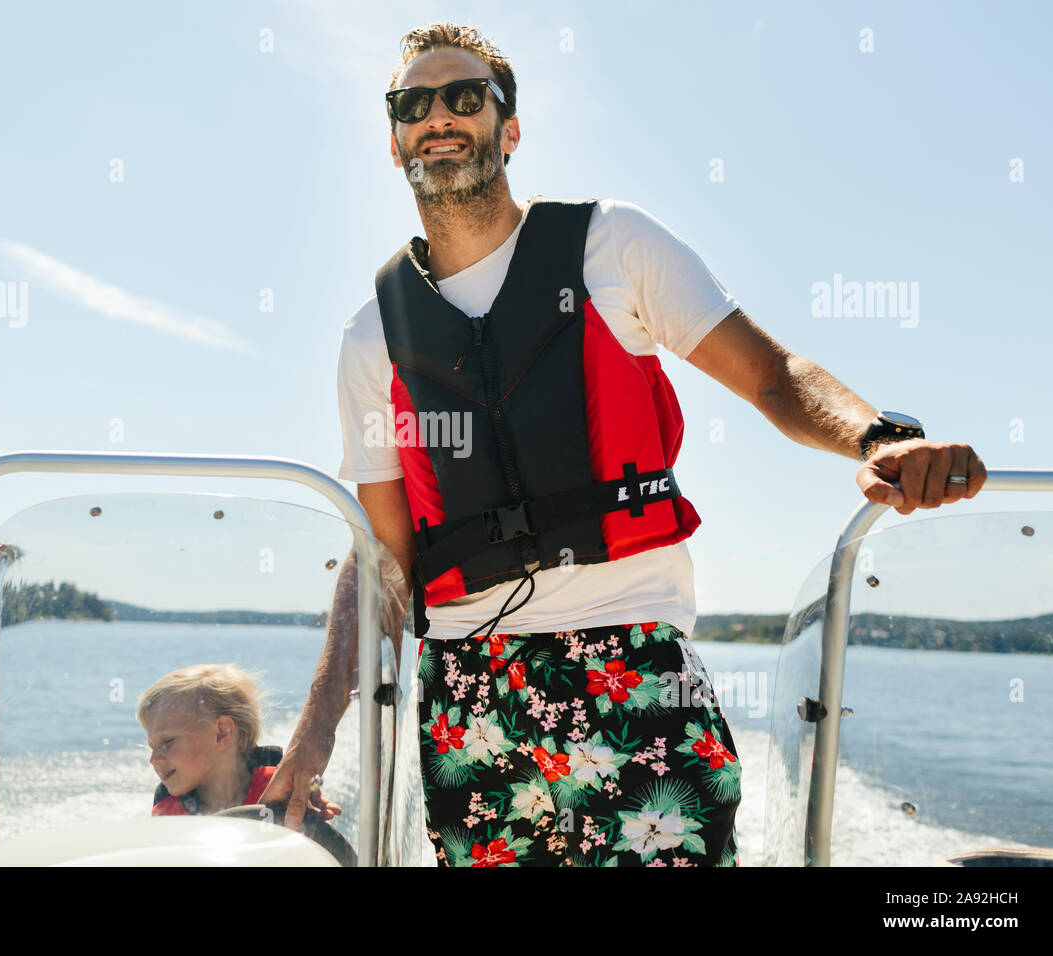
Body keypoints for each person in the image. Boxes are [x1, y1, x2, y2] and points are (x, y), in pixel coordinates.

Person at [261, 22, 987, 866]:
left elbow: (771, 375)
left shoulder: (615, 245)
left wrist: (876, 436)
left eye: (466, 97)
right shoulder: (371, 337)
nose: (440, 116)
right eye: (413, 104)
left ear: (510, 127)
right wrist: (317, 731)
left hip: (636, 668)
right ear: (395, 142)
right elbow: (383, 557)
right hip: (468, 696)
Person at [138, 663, 340, 819]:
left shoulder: (282, 788)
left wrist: (306, 815)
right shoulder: (166, 813)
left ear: (222, 734)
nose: (154, 759)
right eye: (152, 747)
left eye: (168, 741)